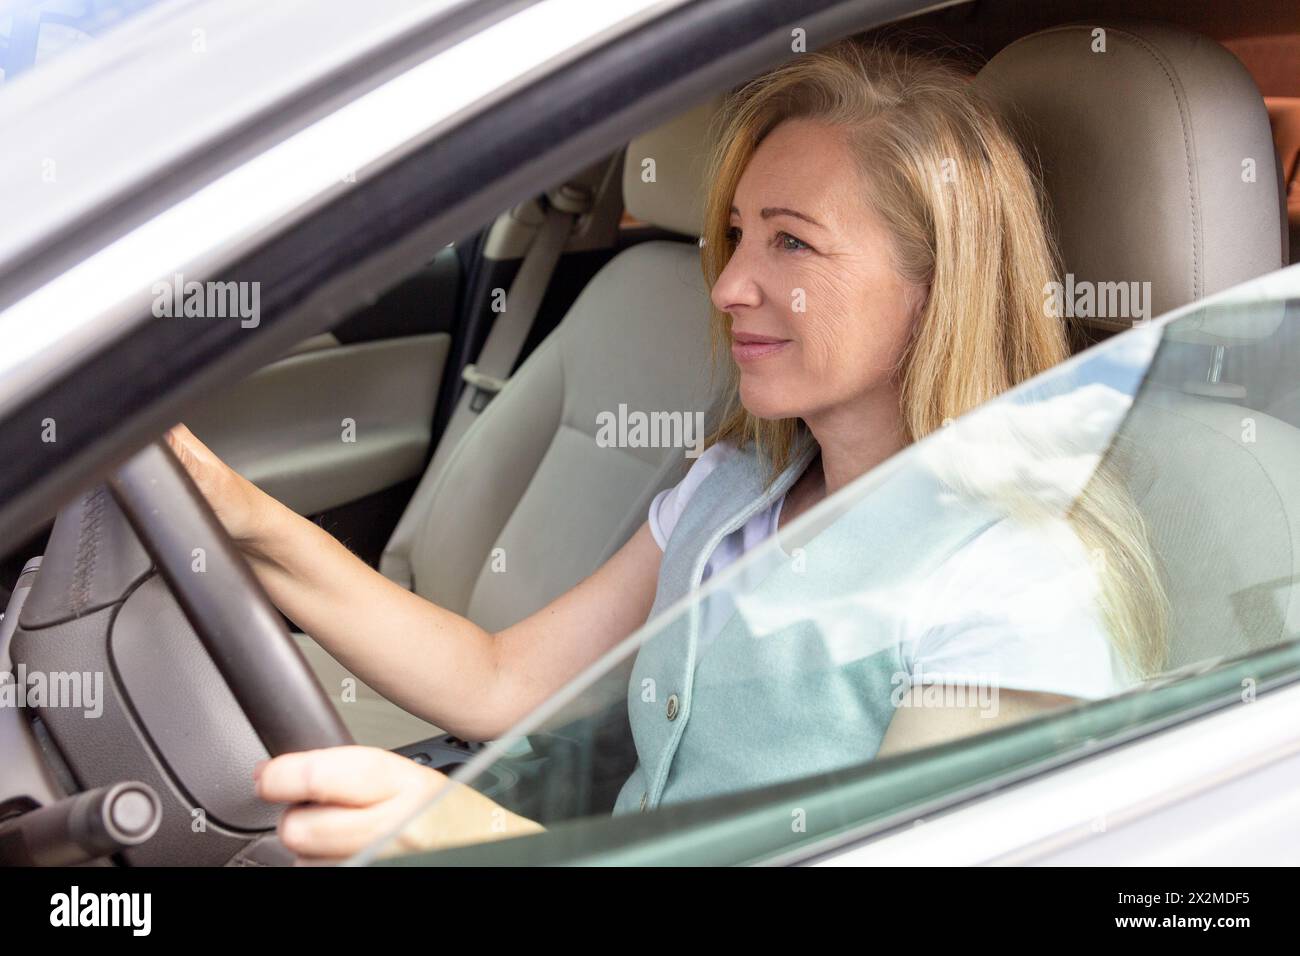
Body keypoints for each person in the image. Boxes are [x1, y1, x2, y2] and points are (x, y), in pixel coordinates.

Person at [167, 39, 1165, 861]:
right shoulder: (733, 486)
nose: (728, 286)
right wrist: (237, 517)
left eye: (790, 243)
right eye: (734, 236)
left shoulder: (1017, 581)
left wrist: (459, 829)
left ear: (935, 283)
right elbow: (498, 679)